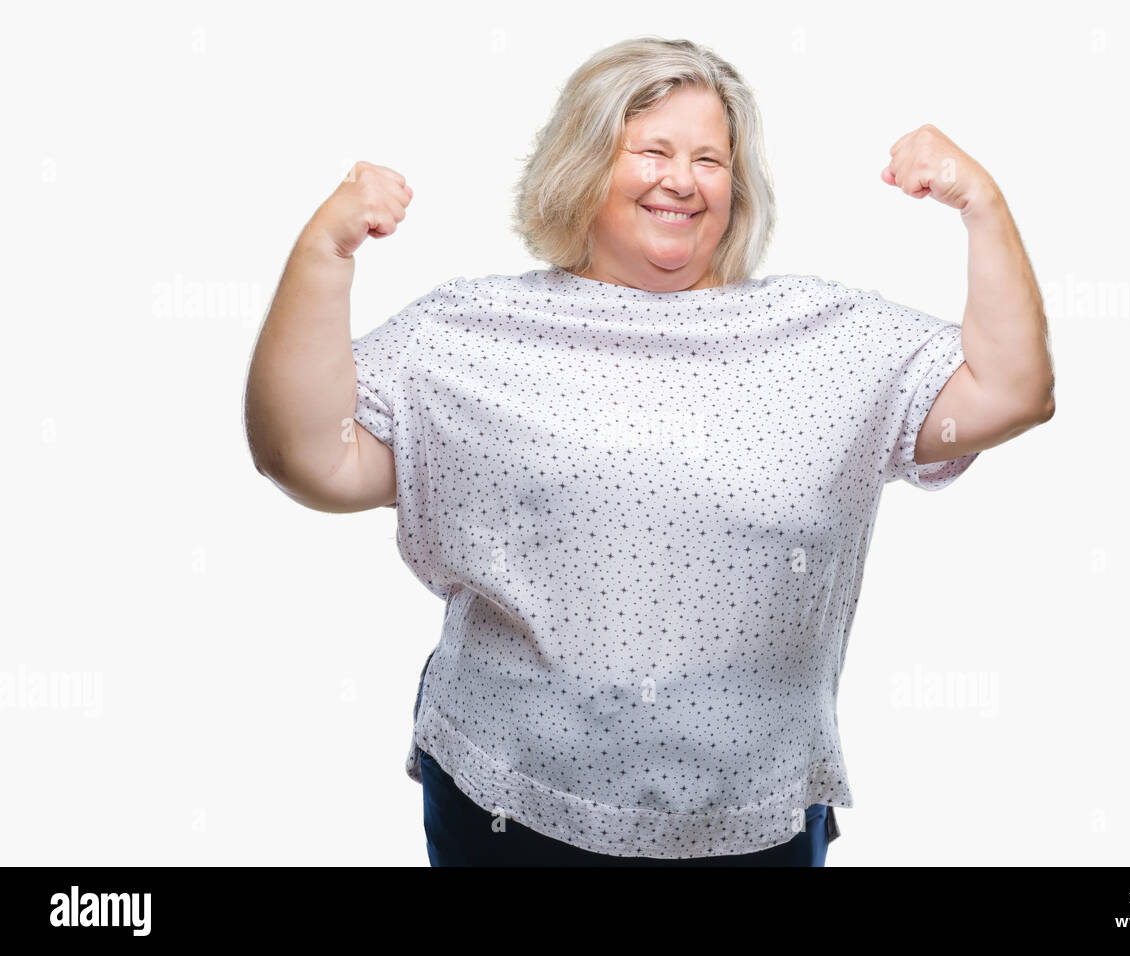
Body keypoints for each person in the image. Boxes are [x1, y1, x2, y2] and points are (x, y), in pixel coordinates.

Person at [243, 36, 1055, 867]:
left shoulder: (827, 337)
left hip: (753, 821)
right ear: (583, 166)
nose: (682, 179)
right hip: (509, 805)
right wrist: (324, 254)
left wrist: (981, 205)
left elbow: (1011, 391)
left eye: (710, 159)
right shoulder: (465, 331)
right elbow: (306, 456)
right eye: (653, 150)